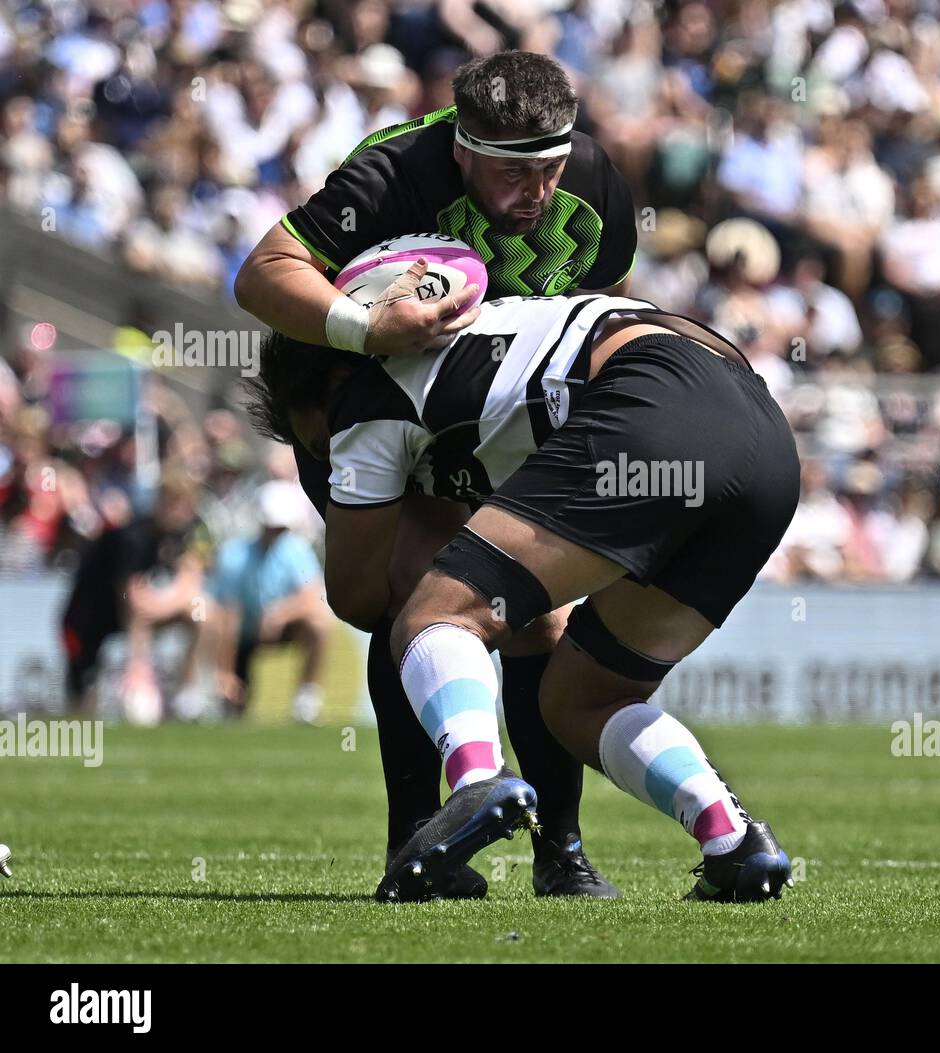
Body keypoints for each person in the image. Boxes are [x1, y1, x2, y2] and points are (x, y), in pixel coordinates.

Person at [234, 50, 637, 897]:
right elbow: (262, 274)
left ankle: (559, 852)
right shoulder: (394, 173)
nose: (537, 191)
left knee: (539, 618)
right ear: (461, 148)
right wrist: (370, 328)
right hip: (364, 403)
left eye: (550, 167)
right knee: (401, 599)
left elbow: (598, 301)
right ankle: (416, 843)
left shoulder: (596, 187)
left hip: (490, 417)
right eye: (511, 171)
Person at [247, 285, 799, 902]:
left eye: (320, 445)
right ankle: (733, 840)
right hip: (765, 442)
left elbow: (354, 596)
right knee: (584, 699)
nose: (327, 464)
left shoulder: (364, 393)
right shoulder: (474, 342)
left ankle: (478, 778)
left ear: (332, 381)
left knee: (433, 616)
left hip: (655, 397)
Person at [61, 467, 211, 716]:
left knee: (201, 612)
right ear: (164, 502)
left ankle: (185, 695)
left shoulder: (184, 533)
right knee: (82, 697)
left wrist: (170, 601)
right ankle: (135, 684)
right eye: (178, 504)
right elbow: (131, 598)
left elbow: (190, 583)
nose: (185, 513)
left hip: (128, 613)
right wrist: (167, 601)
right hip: (89, 617)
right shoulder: (135, 537)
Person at [206, 481, 332, 723]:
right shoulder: (235, 554)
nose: (274, 533)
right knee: (233, 712)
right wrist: (225, 671)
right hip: (243, 636)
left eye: (279, 528)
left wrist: (280, 613)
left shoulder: (296, 550)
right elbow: (228, 617)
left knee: (319, 625)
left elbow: (313, 597)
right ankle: (225, 694)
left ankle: (306, 700)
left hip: (282, 630)